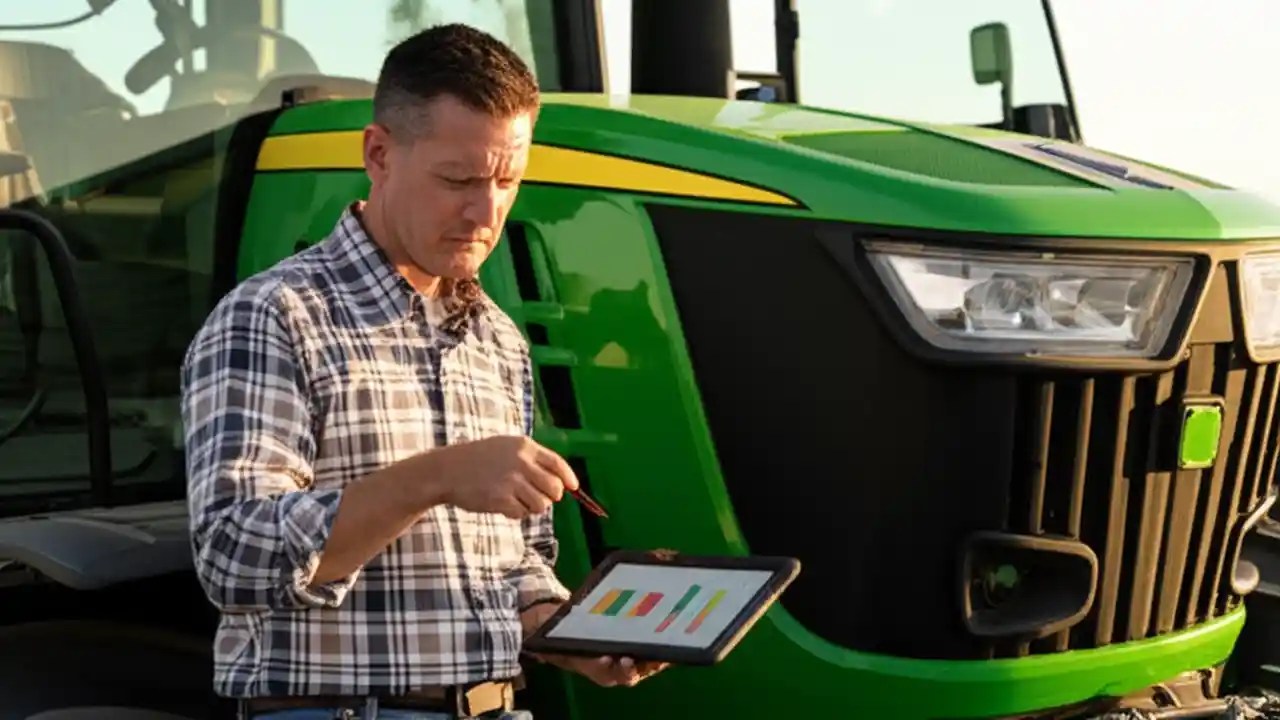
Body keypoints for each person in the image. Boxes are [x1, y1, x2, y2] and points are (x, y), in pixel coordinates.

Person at [180, 23, 666, 720]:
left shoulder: (497, 339)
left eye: (508, 180)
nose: (486, 210)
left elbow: (515, 568)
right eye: (458, 179)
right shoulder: (274, 316)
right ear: (378, 153)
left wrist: (573, 635)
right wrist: (438, 475)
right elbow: (236, 558)